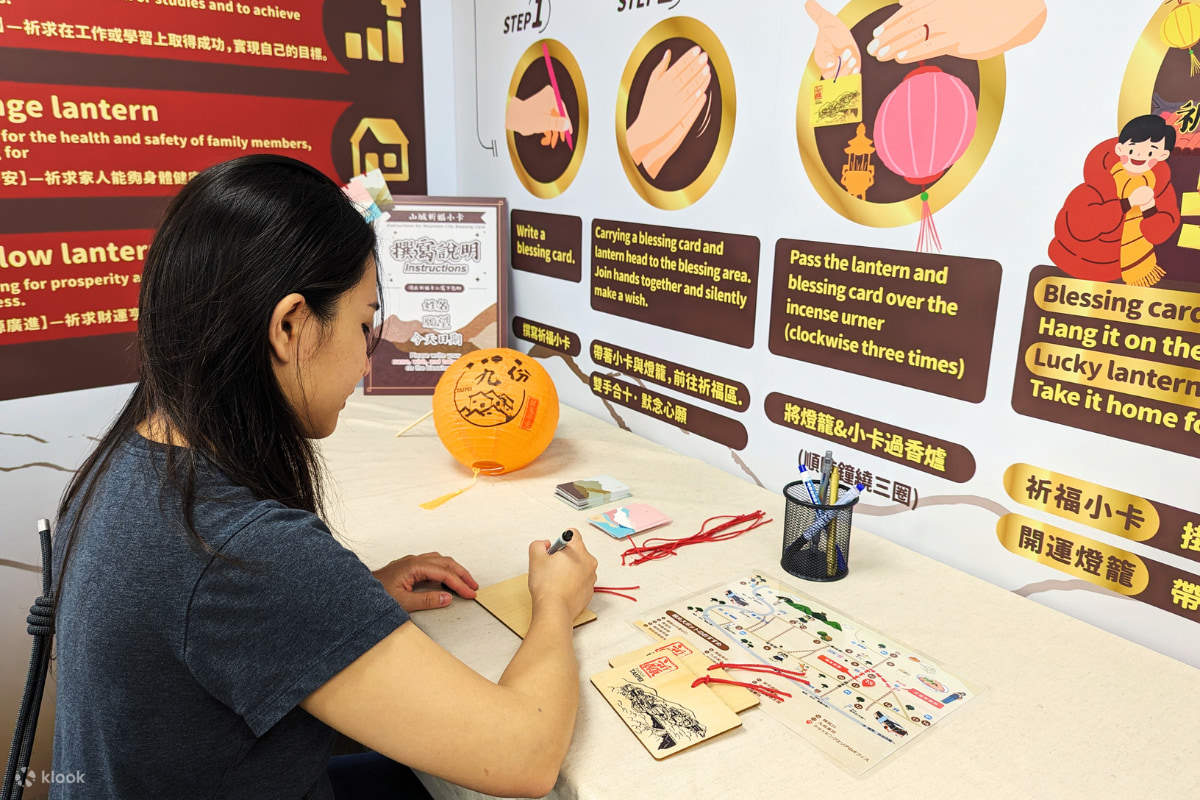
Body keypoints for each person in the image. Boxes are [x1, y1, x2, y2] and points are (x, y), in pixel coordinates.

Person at [48, 154, 597, 799]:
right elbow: (524, 755)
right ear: (290, 326)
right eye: (364, 326)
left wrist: (345, 602)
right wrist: (555, 603)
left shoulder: (130, 457)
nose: (366, 364)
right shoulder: (244, 551)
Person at [1048, 114, 1181, 287]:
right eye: (1132, 149)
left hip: (1118, 274)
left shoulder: (1159, 187)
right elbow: (1080, 228)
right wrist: (1128, 203)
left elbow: (1159, 234)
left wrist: (1149, 208)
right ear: (1120, 148)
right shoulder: (1096, 181)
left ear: (1163, 155)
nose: (1139, 155)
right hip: (1072, 263)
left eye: (1150, 152)